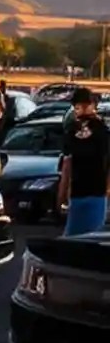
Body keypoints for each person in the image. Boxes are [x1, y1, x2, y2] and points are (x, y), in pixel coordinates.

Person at [58, 87, 109, 237]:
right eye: (79, 106)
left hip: (87, 193)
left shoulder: (98, 131)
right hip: (90, 194)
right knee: (89, 238)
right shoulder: (102, 131)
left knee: (75, 238)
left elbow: (67, 166)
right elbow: (67, 165)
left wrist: (61, 195)